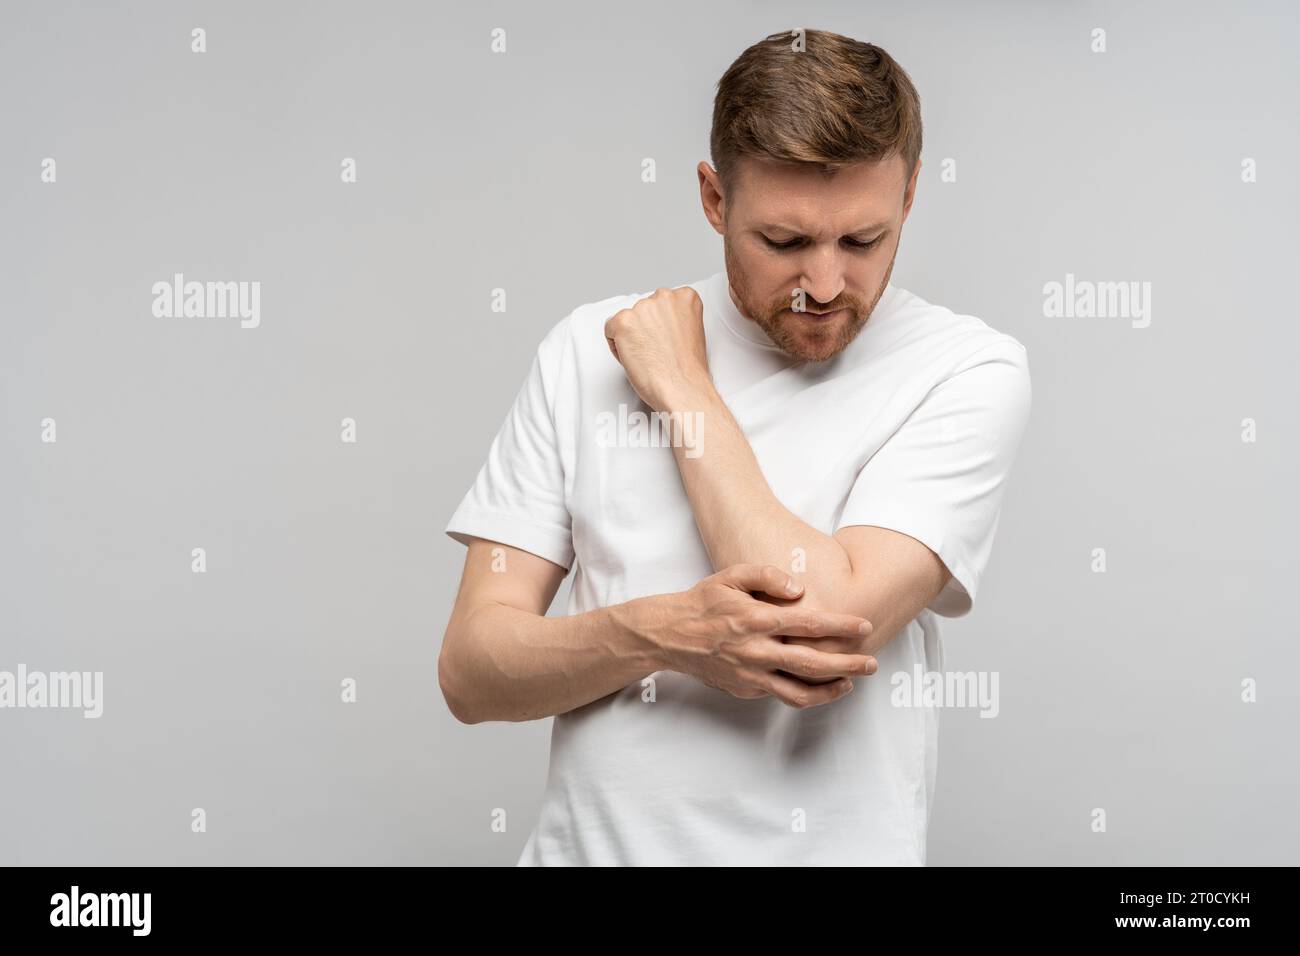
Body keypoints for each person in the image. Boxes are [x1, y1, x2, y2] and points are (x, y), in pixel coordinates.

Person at [439, 28, 1032, 865]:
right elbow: (472, 670)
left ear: (908, 197)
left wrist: (683, 389)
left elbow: (821, 630)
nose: (824, 284)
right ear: (715, 199)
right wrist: (663, 633)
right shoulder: (588, 349)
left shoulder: (964, 369)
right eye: (784, 242)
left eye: (862, 242)